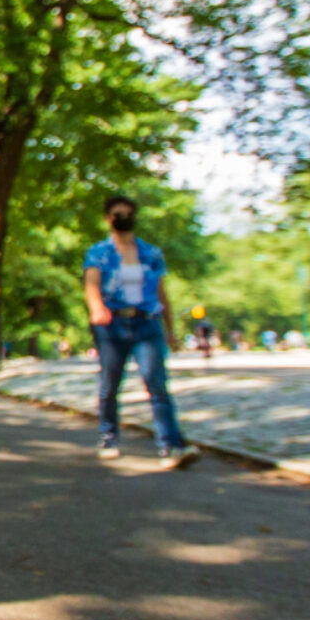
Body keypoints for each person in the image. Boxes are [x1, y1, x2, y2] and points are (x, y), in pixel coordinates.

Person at [81, 195, 200, 470]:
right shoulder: (99, 252)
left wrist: (171, 329)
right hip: (113, 324)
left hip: (147, 322)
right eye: (117, 214)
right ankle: (108, 437)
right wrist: (96, 308)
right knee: (110, 384)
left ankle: (171, 446)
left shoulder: (150, 253)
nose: (123, 218)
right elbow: (91, 284)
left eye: (127, 213)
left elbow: (161, 291)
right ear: (108, 219)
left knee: (157, 384)